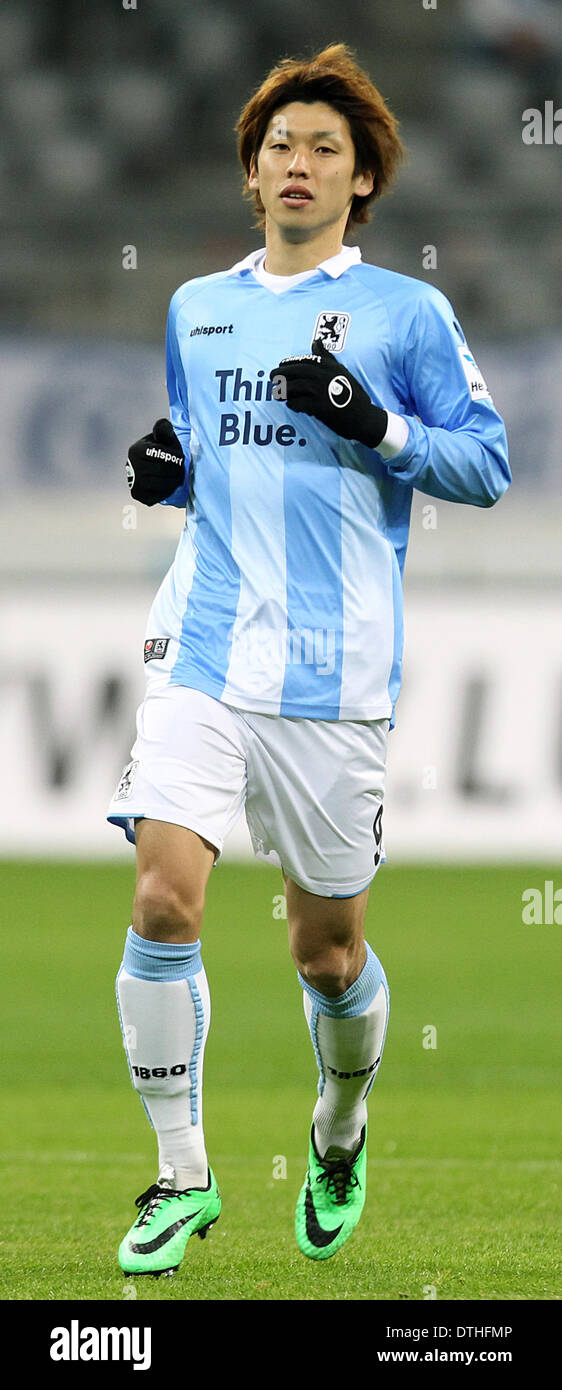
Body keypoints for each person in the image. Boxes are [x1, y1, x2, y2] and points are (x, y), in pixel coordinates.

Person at [107, 42, 510, 1277]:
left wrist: (372, 422)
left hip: (337, 677)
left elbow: (483, 464)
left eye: (325, 147)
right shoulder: (197, 306)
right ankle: (181, 1178)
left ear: (362, 178)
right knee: (164, 894)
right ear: (249, 169)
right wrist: (169, 472)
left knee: (325, 951)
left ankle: (338, 1133)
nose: (298, 162)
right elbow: (201, 449)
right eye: (280, 143)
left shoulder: (406, 312)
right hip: (208, 644)